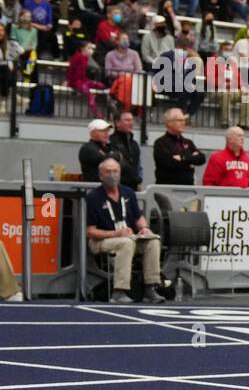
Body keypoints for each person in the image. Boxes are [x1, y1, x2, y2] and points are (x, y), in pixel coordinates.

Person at [86, 157, 164, 304]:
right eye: (108, 172)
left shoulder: (128, 192)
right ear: (101, 175)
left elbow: (138, 217)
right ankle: (119, 291)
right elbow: (90, 232)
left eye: (115, 171)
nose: (112, 175)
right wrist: (115, 233)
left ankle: (150, 288)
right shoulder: (94, 197)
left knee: (153, 240)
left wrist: (144, 229)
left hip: (129, 237)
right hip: (102, 240)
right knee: (126, 243)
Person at [152, 108, 206, 185]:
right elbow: (169, 164)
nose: (183, 123)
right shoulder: (160, 143)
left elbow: (201, 158)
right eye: (180, 120)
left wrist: (182, 158)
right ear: (169, 123)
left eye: (184, 120)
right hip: (167, 188)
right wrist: (190, 159)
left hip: (188, 188)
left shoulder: (188, 142)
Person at [109, 109, 143, 190]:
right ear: (117, 123)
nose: (131, 123)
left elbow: (138, 166)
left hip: (133, 188)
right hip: (117, 188)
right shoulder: (111, 142)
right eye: (127, 120)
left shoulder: (134, 144)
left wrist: (138, 180)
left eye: (132, 120)